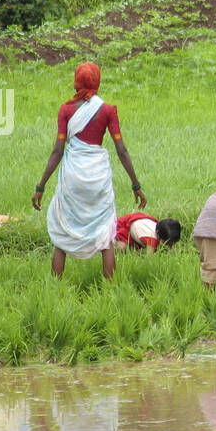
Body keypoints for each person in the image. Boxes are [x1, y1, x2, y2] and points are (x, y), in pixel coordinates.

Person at [32, 62, 146, 280]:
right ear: (97, 81)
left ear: (76, 81)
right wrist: (136, 185)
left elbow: (58, 150)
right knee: (105, 236)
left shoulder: (66, 110)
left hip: (73, 176)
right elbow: (120, 149)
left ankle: (55, 288)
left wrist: (41, 186)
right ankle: (109, 289)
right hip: (98, 177)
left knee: (62, 235)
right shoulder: (107, 111)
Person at [115, 212, 180, 253]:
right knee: (122, 248)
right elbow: (149, 260)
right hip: (120, 228)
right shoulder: (152, 240)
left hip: (136, 225)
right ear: (158, 235)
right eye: (168, 244)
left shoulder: (160, 227)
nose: (171, 247)